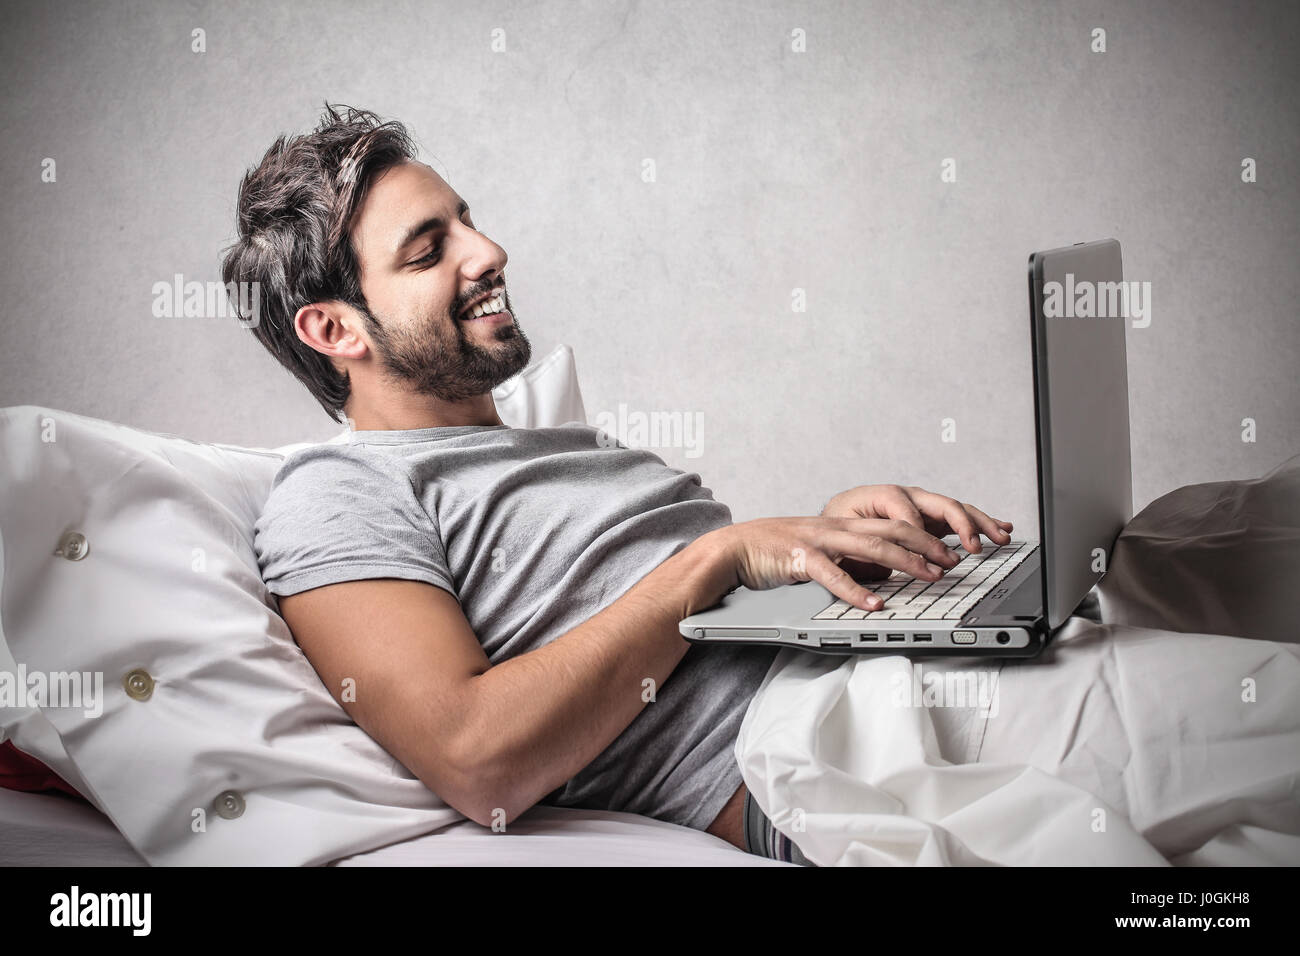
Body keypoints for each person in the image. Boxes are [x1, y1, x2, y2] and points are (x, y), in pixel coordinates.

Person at [224, 104, 1013, 865]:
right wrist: (719, 558)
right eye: (429, 251)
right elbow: (476, 759)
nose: (490, 251)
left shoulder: (559, 447)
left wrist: (830, 548)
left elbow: (697, 607)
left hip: (887, 663)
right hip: (831, 746)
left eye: (468, 222)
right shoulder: (337, 492)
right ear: (334, 328)